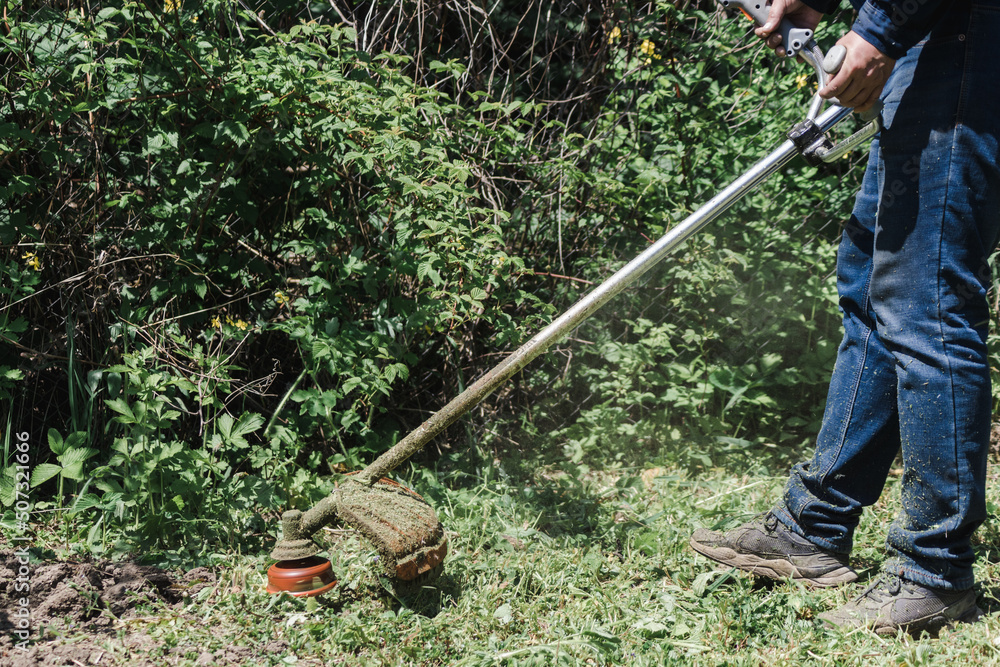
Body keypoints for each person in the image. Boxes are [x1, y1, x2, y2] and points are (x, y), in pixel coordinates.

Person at [690, 0, 1000, 635]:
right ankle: (816, 526)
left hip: (968, 35)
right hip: (934, 34)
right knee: (874, 290)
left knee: (926, 295)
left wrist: (880, 26)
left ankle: (935, 571)